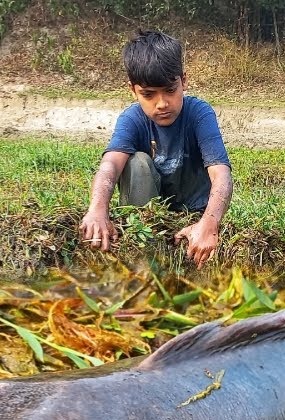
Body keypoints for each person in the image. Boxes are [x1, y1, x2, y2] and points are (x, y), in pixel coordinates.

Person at [78, 30, 234, 267]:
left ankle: (196, 228)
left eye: (170, 91)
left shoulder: (199, 113)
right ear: (133, 90)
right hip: (148, 220)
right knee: (136, 162)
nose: (162, 104)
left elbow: (221, 174)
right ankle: (145, 256)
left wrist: (209, 224)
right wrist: (97, 209)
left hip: (194, 213)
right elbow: (109, 166)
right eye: (148, 95)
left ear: (184, 81)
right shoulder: (132, 119)